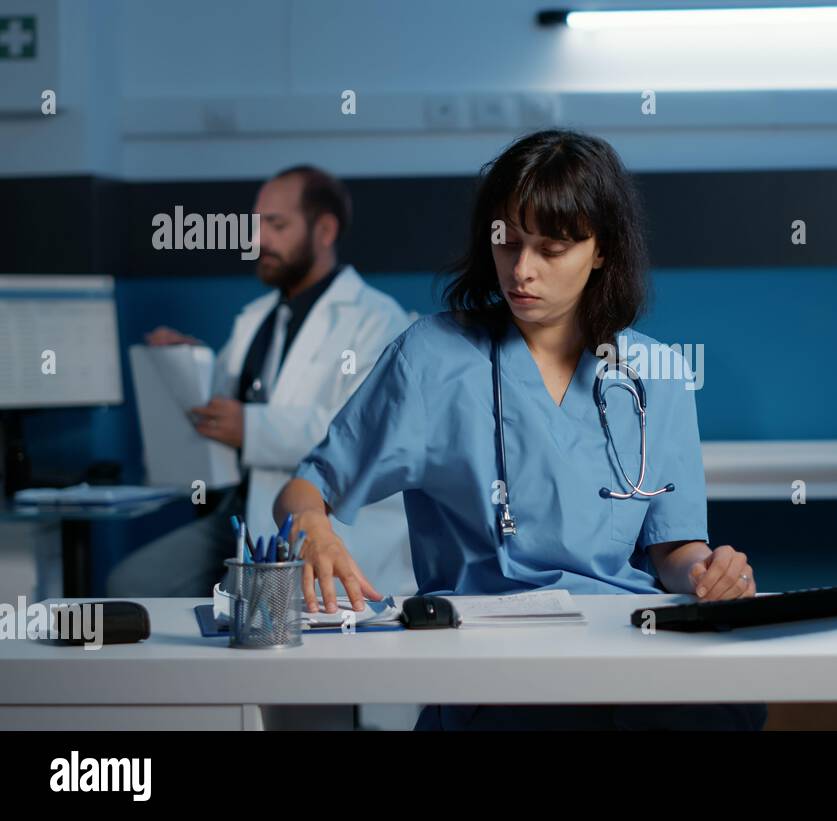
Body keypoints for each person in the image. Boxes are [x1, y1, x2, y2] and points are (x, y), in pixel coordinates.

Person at [274, 130, 766, 731]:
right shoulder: (432, 359)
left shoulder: (656, 373)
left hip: (626, 645)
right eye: (507, 242)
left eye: (552, 249)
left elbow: (671, 547)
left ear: (602, 250)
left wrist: (709, 572)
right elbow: (305, 489)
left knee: (729, 704)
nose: (522, 271)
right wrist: (313, 531)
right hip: (491, 659)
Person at [108, 166, 415, 599]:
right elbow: (221, 408)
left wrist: (249, 428)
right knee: (131, 584)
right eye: (255, 225)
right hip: (238, 515)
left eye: (277, 225)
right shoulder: (256, 319)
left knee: (263, 621)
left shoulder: (375, 319)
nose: (258, 240)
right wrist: (189, 364)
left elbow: (357, 436)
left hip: (318, 523)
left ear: (324, 230)